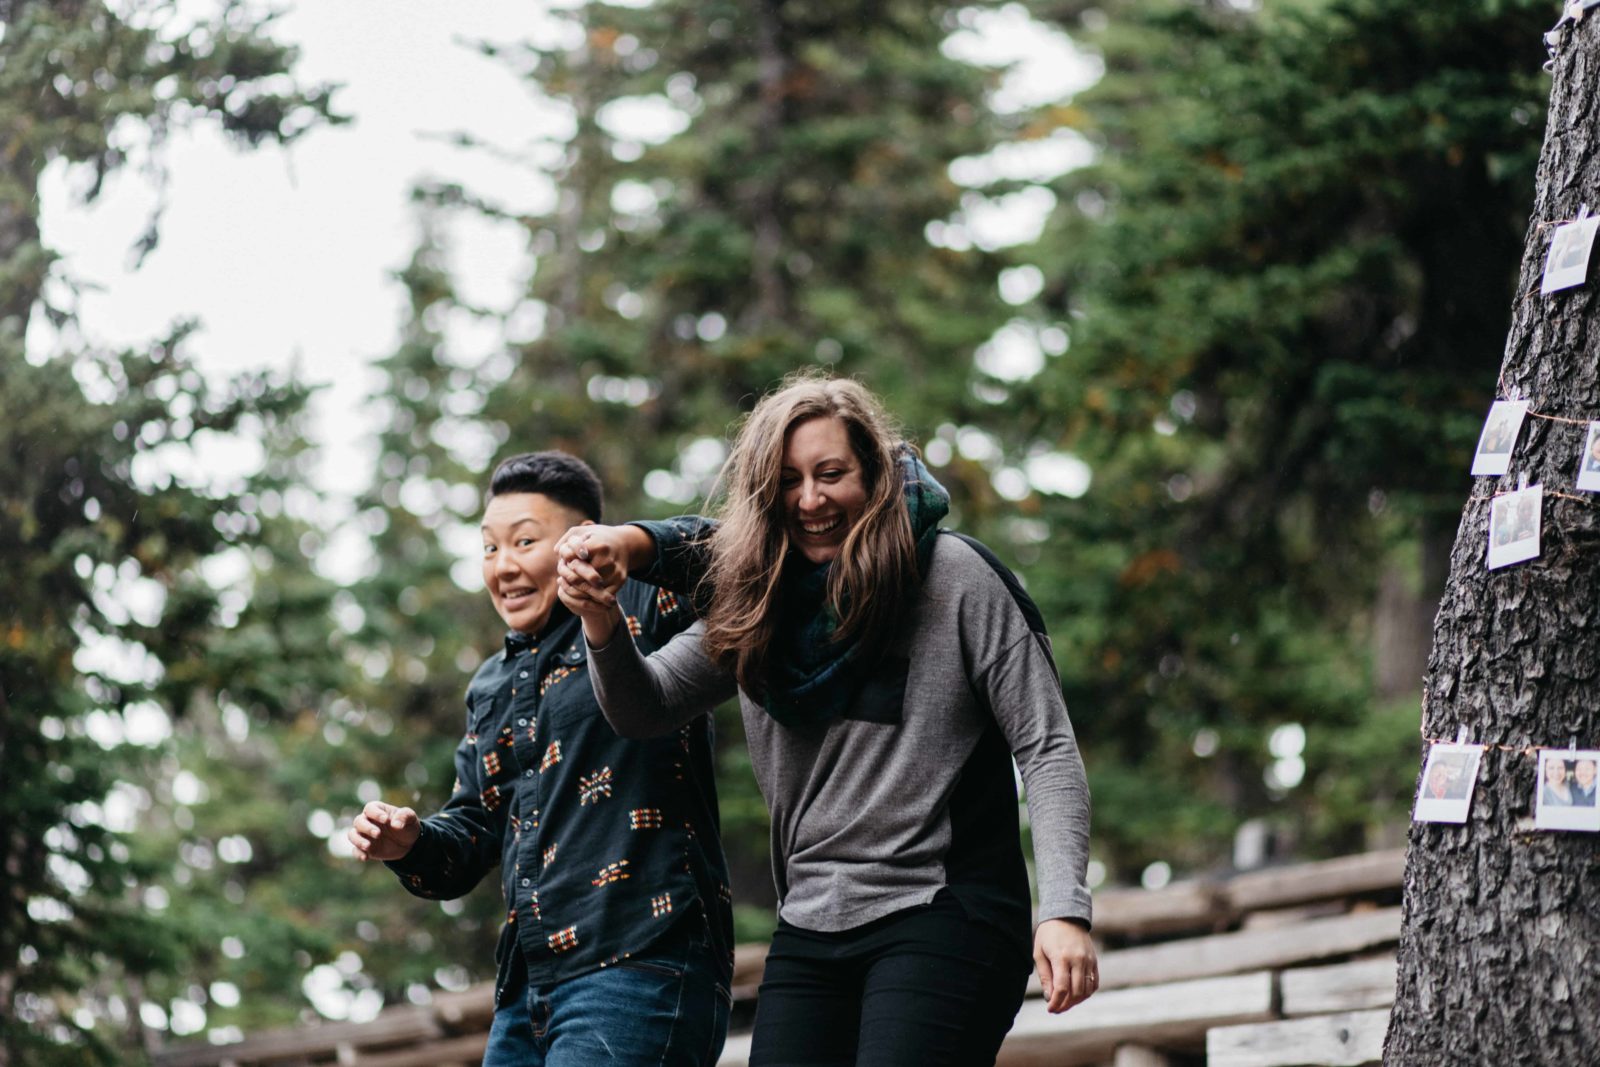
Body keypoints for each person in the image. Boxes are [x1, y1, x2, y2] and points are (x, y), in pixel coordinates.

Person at [555, 375, 1096, 1066]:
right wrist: (601, 621)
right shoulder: (758, 602)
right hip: (811, 921)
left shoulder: (956, 576)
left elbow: (1046, 747)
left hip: (944, 906)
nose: (810, 499)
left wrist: (1064, 909)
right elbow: (645, 707)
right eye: (788, 481)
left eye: (831, 473)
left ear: (872, 474)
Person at [346, 451, 733, 1067]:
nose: (503, 565)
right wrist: (411, 843)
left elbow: (742, 554)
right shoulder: (490, 685)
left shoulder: (642, 601)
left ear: (583, 538)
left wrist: (630, 545)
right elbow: (475, 830)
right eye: (489, 547)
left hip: (642, 962)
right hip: (526, 995)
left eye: (525, 541)